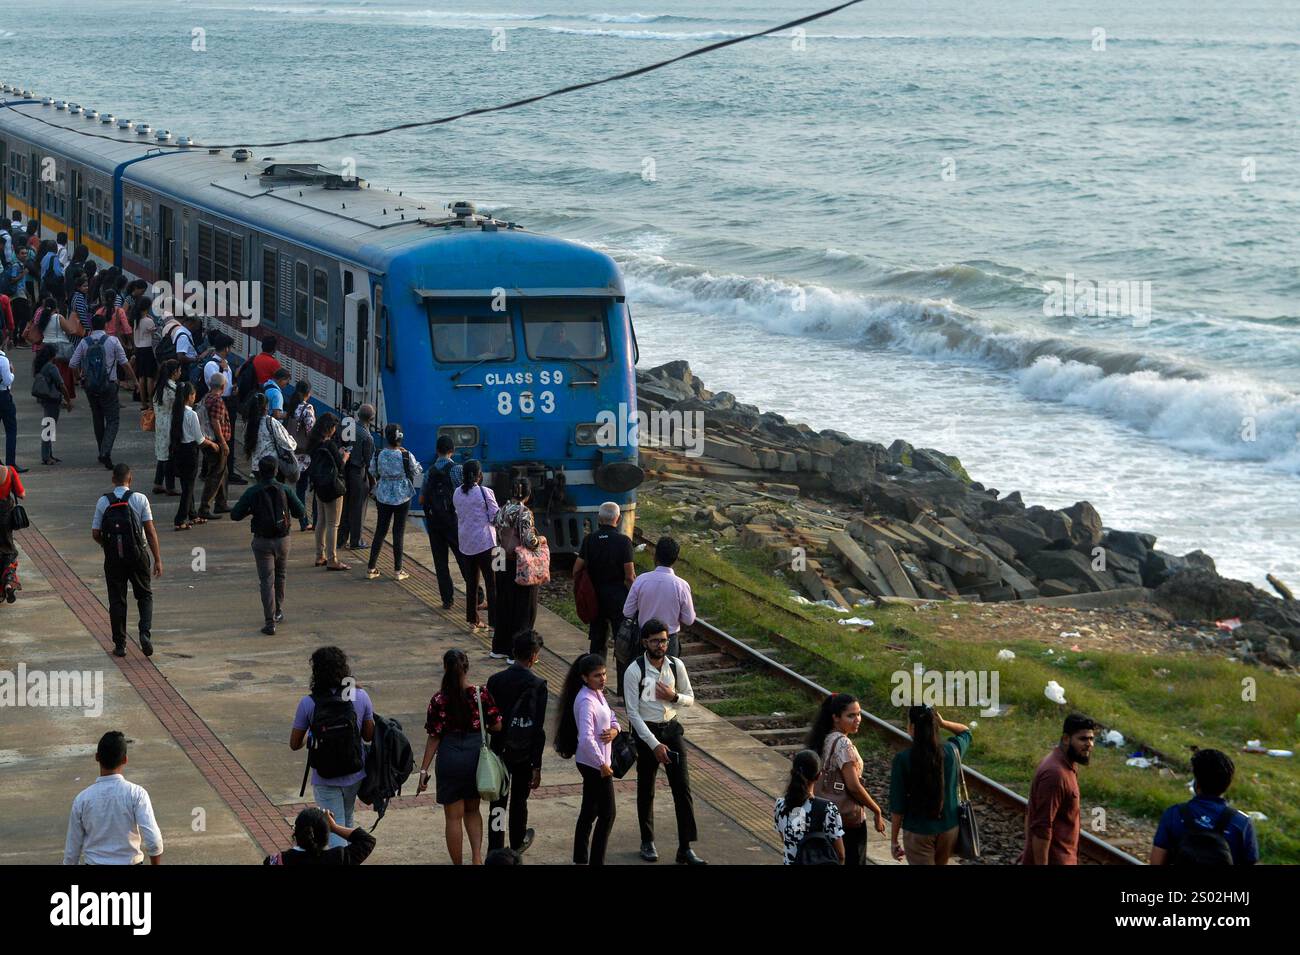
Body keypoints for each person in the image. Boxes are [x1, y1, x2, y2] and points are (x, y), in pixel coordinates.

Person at [624, 618, 706, 865]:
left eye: (664, 640)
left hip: (671, 730)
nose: (661, 645)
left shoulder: (676, 665)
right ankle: (647, 841)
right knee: (646, 788)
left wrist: (674, 696)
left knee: (682, 789)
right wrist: (653, 744)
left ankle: (685, 847)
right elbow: (632, 713)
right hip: (646, 733)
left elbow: (690, 698)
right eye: (655, 641)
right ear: (644, 642)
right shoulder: (634, 670)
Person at [415, 649, 502, 865]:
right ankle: (477, 858)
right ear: (467, 668)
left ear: (445, 668)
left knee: (453, 817)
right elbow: (497, 725)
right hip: (476, 759)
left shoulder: (438, 699)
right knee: (473, 810)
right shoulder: (480, 694)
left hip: (449, 759)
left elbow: (434, 737)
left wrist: (424, 770)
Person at [290, 647, 375, 845]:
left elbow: (295, 743)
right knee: (347, 821)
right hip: (355, 773)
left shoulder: (308, 703)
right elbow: (368, 735)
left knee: (333, 830)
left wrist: (311, 735)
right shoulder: (360, 696)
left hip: (325, 776)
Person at [485, 630, 548, 854]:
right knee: (519, 801)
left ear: (514, 652)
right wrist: (536, 765)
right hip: (524, 753)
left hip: (499, 751)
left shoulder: (495, 681)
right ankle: (517, 842)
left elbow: (488, 719)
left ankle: (495, 846)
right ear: (533, 656)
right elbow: (538, 729)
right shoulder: (538, 685)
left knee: (498, 802)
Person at [806, 692, 886, 865]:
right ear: (835, 717)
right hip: (847, 820)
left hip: (826, 814)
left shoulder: (825, 738)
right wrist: (877, 810)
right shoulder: (843, 744)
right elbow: (854, 787)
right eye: (851, 715)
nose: (857, 719)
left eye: (858, 714)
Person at [92, 464, 163, 657]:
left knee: (117, 599)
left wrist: (107, 545)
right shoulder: (140, 499)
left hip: (114, 557)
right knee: (145, 595)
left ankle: (120, 645)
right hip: (137, 554)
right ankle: (144, 634)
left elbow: (95, 533)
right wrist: (157, 559)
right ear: (130, 479)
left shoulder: (103, 501)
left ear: (113, 479)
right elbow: (149, 530)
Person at [555, 652, 619, 865]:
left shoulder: (598, 694)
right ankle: (595, 860)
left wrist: (615, 731)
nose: (602, 679)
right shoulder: (585, 701)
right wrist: (602, 764)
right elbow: (585, 738)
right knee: (608, 814)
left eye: (604, 674)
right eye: (597, 675)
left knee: (590, 811)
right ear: (584, 677)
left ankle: (580, 858)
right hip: (594, 765)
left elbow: (612, 717)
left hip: (596, 763)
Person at [63, 731, 164, 865]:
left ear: (97, 757)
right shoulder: (137, 794)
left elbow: (72, 851)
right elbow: (154, 841)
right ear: (125, 760)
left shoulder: (82, 799)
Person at [230, 455, 306, 634]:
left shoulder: (253, 492)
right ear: (276, 471)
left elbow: (235, 515)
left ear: (259, 472)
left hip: (262, 542)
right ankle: (278, 611)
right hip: (283, 540)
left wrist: (252, 510)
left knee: (266, 580)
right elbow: (301, 511)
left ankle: (269, 621)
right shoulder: (285, 489)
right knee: (281, 575)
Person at [888, 706, 972, 865]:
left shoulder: (903, 759)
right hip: (949, 828)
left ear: (912, 727)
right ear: (935, 726)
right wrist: (943, 722)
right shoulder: (952, 750)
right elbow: (966, 732)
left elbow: (897, 805)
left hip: (918, 831)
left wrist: (893, 841)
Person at [1150, 748, 1258, 865]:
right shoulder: (1242, 823)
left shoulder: (1173, 814)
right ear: (1227, 785)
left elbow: (1156, 861)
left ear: (1196, 783)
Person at [1020, 713, 1095, 865]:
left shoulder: (1068, 765)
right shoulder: (1055, 774)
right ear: (1066, 739)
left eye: (1091, 739)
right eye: (1083, 739)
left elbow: (1031, 814)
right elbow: (1042, 827)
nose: (1089, 744)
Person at [69, 312, 137, 470]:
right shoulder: (112, 341)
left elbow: (73, 363)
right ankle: (106, 452)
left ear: (91, 326)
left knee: (97, 418)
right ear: (106, 325)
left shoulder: (84, 342)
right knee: (113, 420)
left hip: (90, 386)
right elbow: (124, 363)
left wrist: (80, 378)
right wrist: (135, 381)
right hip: (109, 385)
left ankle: (102, 450)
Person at [490, 476, 545, 656]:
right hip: (518, 563)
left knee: (504, 604)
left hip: (499, 558)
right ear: (528, 494)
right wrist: (541, 541)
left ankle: (499, 648)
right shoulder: (524, 513)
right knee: (524, 607)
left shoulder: (501, 509)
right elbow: (529, 540)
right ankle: (519, 653)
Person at [574, 501, 635, 657]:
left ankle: (594, 673)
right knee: (621, 641)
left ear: (599, 519)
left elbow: (576, 569)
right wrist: (636, 597)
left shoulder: (589, 540)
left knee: (597, 641)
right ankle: (622, 678)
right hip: (617, 598)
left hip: (595, 597)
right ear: (618, 519)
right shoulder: (624, 542)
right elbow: (629, 576)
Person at [623, 535, 695, 658]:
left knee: (643, 674)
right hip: (669, 641)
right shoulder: (681, 585)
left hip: (645, 640)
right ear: (675, 559)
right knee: (669, 675)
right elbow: (689, 619)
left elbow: (627, 612)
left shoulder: (641, 580)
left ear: (655, 557)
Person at [366, 422, 422, 581]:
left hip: (383, 495)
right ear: (400, 438)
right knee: (398, 533)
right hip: (403, 496)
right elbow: (417, 470)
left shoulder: (378, 454)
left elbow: (372, 471)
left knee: (380, 531)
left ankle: (371, 568)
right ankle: (398, 571)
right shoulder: (405, 455)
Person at [774, 750, 846, 865]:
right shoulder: (828, 809)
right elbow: (841, 855)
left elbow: (789, 840)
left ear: (793, 772)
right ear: (819, 776)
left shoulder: (780, 805)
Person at [452, 459, 498, 633]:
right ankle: (494, 622)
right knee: (492, 584)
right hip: (487, 545)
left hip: (466, 544)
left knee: (471, 583)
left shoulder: (457, 492)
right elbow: (495, 517)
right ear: (480, 475)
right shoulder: (486, 493)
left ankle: (473, 621)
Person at [420, 434, 465, 609]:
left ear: (437, 451)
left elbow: (423, 499)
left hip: (434, 521)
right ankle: (476, 595)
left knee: (440, 561)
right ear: (452, 451)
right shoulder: (457, 470)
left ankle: (447, 599)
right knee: (462, 557)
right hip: (453, 521)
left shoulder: (429, 471)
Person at [169, 381, 218, 530]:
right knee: (189, 488)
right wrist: (212, 444)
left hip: (178, 451)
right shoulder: (191, 414)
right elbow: (200, 439)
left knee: (185, 484)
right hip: (190, 451)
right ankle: (180, 519)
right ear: (190, 396)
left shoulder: (175, 412)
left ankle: (192, 514)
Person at [304, 412, 348, 571]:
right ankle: (332, 559)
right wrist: (345, 457)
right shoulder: (329, 445)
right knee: (333, 524)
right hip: (332, 487)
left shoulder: (314, 442)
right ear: (329, 428)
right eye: (334, 427)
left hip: (318, 485)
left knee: (321, 521)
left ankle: (319, 555)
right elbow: (340, 465)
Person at [264, 808, 376, 865]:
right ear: (326, 835)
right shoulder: (337, 858)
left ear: (296, 833)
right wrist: (334, 827)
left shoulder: (275, 861)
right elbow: (367, 841)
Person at [339, 403, 376, 550]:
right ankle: (356, 540)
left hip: (345, 471)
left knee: (345, 507)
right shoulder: (367, 437)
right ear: (372, 419)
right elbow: (369, 463)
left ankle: (341, 539)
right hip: (357, 474)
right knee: (358, 508)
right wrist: (373, 482)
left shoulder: (349, 427)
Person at [196, 373, 232, 521]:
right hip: (216, 442)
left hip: (209, 440)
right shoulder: (217, 401)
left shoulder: (207, 397)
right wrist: (223, 443)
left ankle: (221, 502)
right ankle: (204, 507)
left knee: (223, 472)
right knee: (216, 474)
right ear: (223, 387)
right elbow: (216, 421)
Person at [32, 345, 73, 465]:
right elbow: (61, 385)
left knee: (49, 426)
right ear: (53, 355)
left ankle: (49, 454)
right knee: (49, 428)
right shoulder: (52, 367)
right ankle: (46, 456)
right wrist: (68, 400)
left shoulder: (42, 366)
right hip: (52, 400)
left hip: (46, 399)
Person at [284, 381, 316, 531]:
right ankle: (306, 521)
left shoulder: (292, 406)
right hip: (306, 456)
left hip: (293, 452)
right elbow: (311, 431)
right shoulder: (307, 409)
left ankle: (293, 520)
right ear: (308, 393)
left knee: (298, 488)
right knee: (306, 488)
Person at [151, 359, 183, 495]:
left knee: (162, 455)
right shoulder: (172, 388)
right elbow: (180, 406)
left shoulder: (159, 386)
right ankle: (170, 487)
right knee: (169, 456)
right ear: (174, 372)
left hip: (160, 424)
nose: (180, 373)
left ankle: (158, 483)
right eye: (179, 370)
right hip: (169, 425)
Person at [0, 343, 30, 472]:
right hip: (3, 396)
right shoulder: (3, 360)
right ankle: (10, 463)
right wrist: (12, 372)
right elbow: (7, 381)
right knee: (11, 430)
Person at [0, 463, 24, 602]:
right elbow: (21, 494)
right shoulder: (9, 471)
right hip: (5, 517)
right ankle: (9, 583)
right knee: (9, 552)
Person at [129, 294, 156, 408]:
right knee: (149, 377)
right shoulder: (148, 321)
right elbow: (154, 332)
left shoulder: (136, 320)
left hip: (139, 350)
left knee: (141, 377)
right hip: (148, 350)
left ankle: (143, 402)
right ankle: (150, 403)